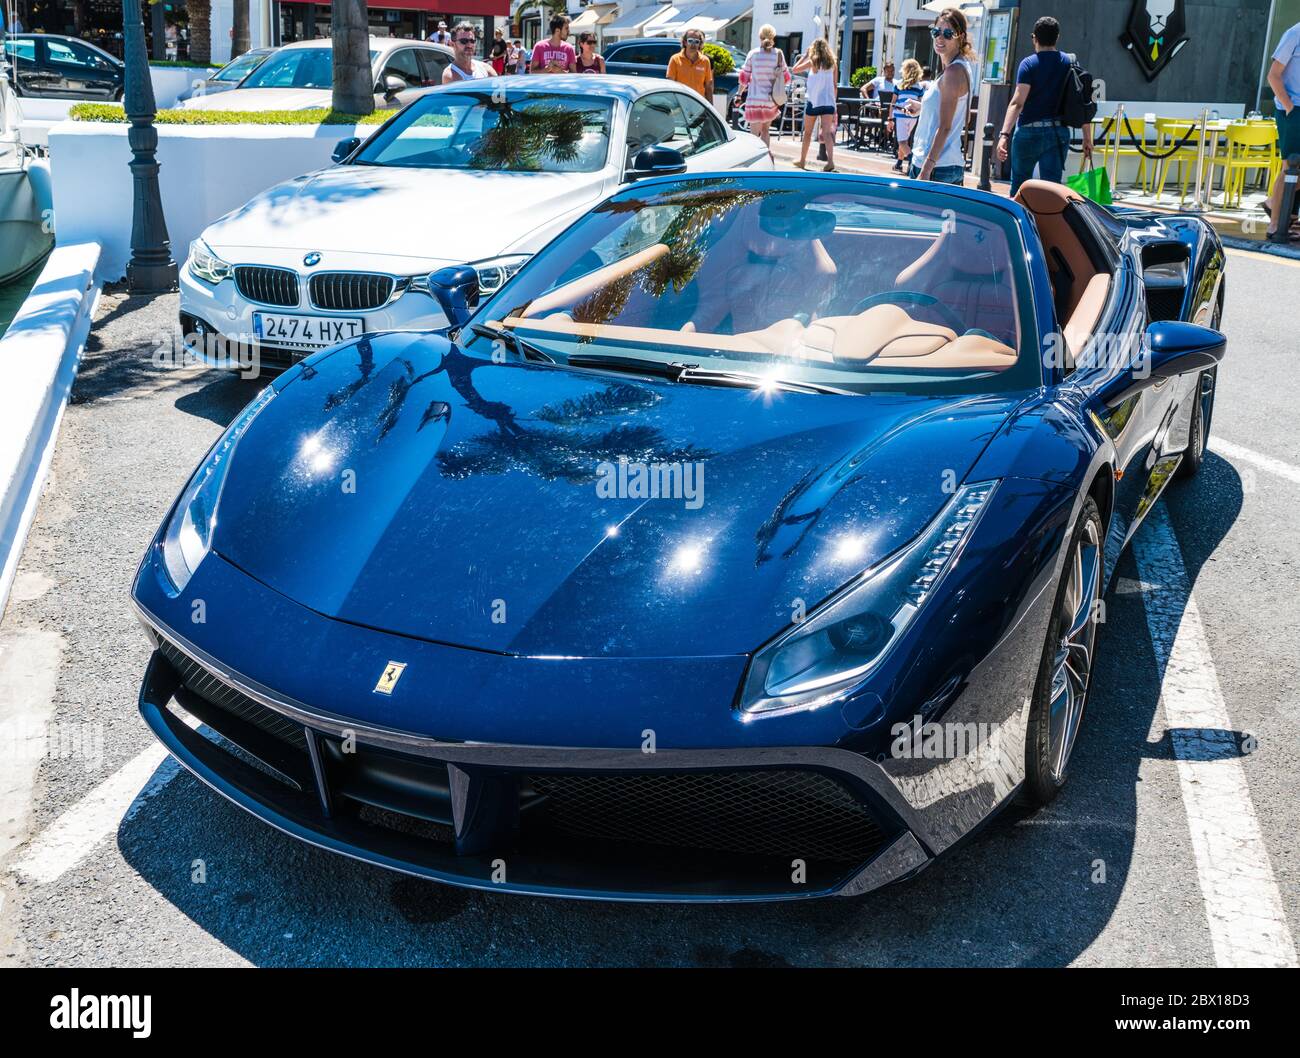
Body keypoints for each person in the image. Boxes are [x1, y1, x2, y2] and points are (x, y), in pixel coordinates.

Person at [996, 16, 1093, 196]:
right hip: (1057, 134)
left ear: (1035, 38)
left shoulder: (1028, 64)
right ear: (1057, 38)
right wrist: (1087, 137)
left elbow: (1017, 103)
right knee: (1051, 191)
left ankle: (1019, 222)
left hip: (1027, 132)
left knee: (1019, 188)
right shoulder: (1069, 62)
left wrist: (1004, 135)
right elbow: (1080, 102)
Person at [901, 8, 975, 184]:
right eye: (936, 32)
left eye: (948, 33)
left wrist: (926, 170)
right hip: (944, 165)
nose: (940, 38)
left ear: (960, 37)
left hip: (937, 169)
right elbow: (964, 115)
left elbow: (945, 127)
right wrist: (923, 108)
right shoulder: (958, 68)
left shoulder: (953, 72)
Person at [1265, 19, 1300, 240]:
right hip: (1293, 110)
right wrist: (1289, 107)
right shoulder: (1294, 33)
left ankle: (1276, 205)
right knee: (1291, 167)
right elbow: (1272, 75)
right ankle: (1275, 223)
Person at [739, 24, 790, 160]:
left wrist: (739, 94)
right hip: (770, 101)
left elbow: (744, 78)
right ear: (773, 37)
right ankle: (765, 158)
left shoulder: (753, 54)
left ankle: (754, 159)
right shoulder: (778, 54)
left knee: (754, 134)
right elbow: (786, 77)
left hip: (754, 99)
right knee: (766, 131)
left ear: (760, 37)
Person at [793, 37, 837, 172]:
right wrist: (834, 104)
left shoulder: (813, 62)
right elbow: (835, 85)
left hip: (814, 101)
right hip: (828, 102)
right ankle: (830, 162)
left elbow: (794, 69)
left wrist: (805, 56)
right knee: (827, 133)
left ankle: (802, 160)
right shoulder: (833, 64)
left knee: (808, 132)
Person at [890, 59, 925, 173]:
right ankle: (899, 163)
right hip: (913, 117)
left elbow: (893, 102)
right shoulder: (919, 87)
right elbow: (921, 104)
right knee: (905, 140)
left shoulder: (899, 84)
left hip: (900, 115)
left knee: (902, 142)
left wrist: (890, 118)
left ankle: (913, 161)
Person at [666, 30, 713, 99]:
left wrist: (710, 105)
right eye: (690, 41)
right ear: (685, 42)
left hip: (699, 103)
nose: (693, 44)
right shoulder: (675, 59)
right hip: (680, 103)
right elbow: (670, 84)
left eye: (696, 42)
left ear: (700, 44)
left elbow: (708, 86)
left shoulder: (705, 61)